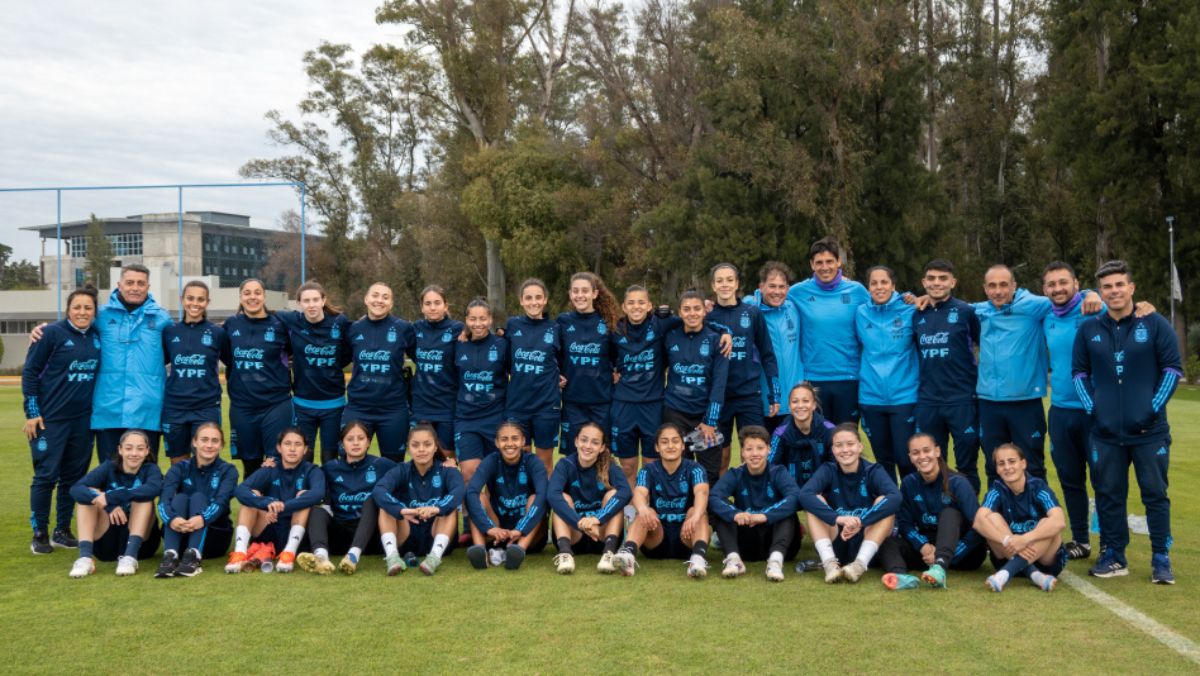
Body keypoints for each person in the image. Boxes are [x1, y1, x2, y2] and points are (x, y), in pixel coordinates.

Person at [1073, 260, 1182, 584]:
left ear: (1131, 288)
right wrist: (1095, 410)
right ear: (1101, 292)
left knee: (1155, 494)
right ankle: (1114, 555)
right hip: (1105, 433)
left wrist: (1150, 410)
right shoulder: (1089, 328)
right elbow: (1079, 374)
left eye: (1119, 284)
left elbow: (1173, 369)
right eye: (1107, 286)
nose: (1114, 291)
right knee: (1108, 494)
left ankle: (1161, 558)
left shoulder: (1155, 323)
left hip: (1149, 432)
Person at [974, 264, 1099, 487]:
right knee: (994, 467)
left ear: (1014, 286)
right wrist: (913, 298)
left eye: (1004, 285)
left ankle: (1038, 517)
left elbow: (1066, 297)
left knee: (1032, 466)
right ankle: (999, 517)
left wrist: (1091, 293)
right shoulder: (978, 311)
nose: (998, 291)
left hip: (1025, 402)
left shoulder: (1035, 305)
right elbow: (945, 307)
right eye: (992, 286)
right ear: (985, 289)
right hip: (988, 403)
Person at [24, 286, 100, 554]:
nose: (82, 312)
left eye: (88, 307)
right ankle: (40, 532)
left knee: (73, 477)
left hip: (83, 421)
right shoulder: (50, 333)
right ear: (68, 309)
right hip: (50, 421)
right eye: (77, 307)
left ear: (94, 311)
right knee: (46, 476)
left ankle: (62, 531)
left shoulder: (97, 335)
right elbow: (30, 372)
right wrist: (32, 413)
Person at [878, 433, 986, 590]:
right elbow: (905, 523)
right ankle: (900, 576)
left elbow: (978, 526)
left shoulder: (958, 483)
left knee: (949, 513)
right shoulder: (909, 483)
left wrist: (948, 555)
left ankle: (940, 568)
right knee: (886, 541)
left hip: (963, 553)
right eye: (915, 453)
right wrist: (923, 546)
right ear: (910, 457)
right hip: (929, 551)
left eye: (926, 450)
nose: (922, 456)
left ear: (937, 451)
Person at [912, 259, 982, 493]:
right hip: (928, 401)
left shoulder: (966, 312)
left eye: (943, 278)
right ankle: (938, 516)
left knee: (967, 465)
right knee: (930, 464)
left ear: (953, 282)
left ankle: (971, 519)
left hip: (961, 399)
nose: (936, 283)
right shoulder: (916, 314)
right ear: (923, 282)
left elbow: (983, 346)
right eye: (931, 278)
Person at [89, 264, 173, 461]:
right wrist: (41, 331)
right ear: (119, 284)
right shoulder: (100, 315)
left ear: (148, 286)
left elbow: (179, 347)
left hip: (147, 410)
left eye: (140, 283)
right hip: (109, 408)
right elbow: (75, 331)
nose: (135, 288)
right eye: (130, 283)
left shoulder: (162, 318)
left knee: (145, 476)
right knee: (110, 472)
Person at [1041, 262, 1096, 560]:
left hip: (1094, 411)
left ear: (1076, 282)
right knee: (1070, 478)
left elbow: (1124, 304)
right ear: (1044, 289)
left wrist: (1094, 293)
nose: (1058, 288)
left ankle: (1113, 544)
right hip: (1060, 410)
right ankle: (1082, 540)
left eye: (1064, 282)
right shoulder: (1045, 315)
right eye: (1051, 284)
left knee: (1104, 479)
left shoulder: (1094, 309)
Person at [799, 423, 900, 584]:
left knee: (884, 501)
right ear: (833, 450)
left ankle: (859, 565)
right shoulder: (828, 469)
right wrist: (838, 519)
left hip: (867, 539)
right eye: (839, 445)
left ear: (860, 447)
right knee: (814, 502)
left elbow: (895, 496)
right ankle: (830, 564)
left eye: (850, 444)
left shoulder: (873, 470)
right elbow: (804, 494)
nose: (845, 450)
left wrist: (861, 522)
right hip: (837, 540)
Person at [786, 238, 870, 424]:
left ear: (839, 262)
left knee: (845, 440)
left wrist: (906, 298)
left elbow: (882, 304)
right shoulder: (798, 291)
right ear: (811, 265)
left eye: (830, 261)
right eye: (819, 263)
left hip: (848, 378)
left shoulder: (856, 291)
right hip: (813, 379)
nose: (825, 267)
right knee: (818, 440)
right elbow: (770, 296)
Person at [708, 263, 780, 477]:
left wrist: (774, 392)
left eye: (729, 280)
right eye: (719, 280)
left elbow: (767, 353)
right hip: (719, 398)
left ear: (737, 284)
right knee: (720, 454)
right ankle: (719, 504)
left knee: (753, 451)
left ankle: (752, 501)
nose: (725, 284)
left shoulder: (753, 313)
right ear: (713, 286)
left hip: (749, 395)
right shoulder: (707, 317)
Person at [612, 423, 711, 578]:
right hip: (656, 538)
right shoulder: (649, 470)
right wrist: (643, 509)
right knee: (646, 510)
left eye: (675, 441)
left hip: (686, 536)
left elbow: (702, 492)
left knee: (696, 512)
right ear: (657, 447)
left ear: (682, 445)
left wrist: (697, 516)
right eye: (664, 442)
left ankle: (697, 559)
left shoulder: (695, 468)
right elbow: (638, 493)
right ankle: (628, 555)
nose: (670, 446)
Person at [298, 421, 395, 575]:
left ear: (368, 442)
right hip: (340, 534)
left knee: (372, 500)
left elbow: (409, 471)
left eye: (360, 438)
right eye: (350, 439)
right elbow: (302, 474)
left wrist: (446, 465)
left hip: (370, 537)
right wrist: (273, 466)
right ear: (342, 443)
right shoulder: (331, 467)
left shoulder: (381, 464)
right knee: (317, 510)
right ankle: (321, 557)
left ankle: (353, 556)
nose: (355, 443)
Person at [225, 427, 325, 574]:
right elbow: (240, 490)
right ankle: (239, 554)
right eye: (287, 444)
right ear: (279, 448)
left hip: (294, 527)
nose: (292, 449)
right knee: (252, 495)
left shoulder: (312, 470)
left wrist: (284, 506)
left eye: (297, 444)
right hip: (268, 525)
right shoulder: (270, 469)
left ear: (305, 449)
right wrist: (267, 503)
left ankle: (288, 554)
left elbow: (318, 493)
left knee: (305, 496)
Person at [708, 425, 802, 582]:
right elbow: (714, 497)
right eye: (749, 449)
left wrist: (765, 516)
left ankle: (775, 562)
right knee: (721, 513)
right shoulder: (735, 474)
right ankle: (734, 560)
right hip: (747, 542)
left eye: (760, 448)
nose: (755, 454)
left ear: (768, 450)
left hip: (778, 540)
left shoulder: (778, 472)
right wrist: (735, 514)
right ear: (743, 453)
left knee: (787, 513)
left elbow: (795, 496)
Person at [222, 278, 295, 478]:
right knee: (251, 465)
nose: (252, 297)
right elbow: (225, 356)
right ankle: (254, 506)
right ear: (240, 297)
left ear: (264, 296)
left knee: (277, 462)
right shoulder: (231, 324)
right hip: (242, 406)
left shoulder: (280, 324)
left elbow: (294, 352)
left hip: (276, 404)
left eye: (257, 293)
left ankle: (278, 508)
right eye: (247, 293)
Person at [67, 430, 163, 578]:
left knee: (144, 498)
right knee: (88, 497)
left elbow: (154, 488)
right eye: (129, 448)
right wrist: (107, 504)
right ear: (120, 449)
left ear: (147, 451)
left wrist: (113, 496)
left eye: (140, 448)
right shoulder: (108, 467)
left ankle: (130, 557)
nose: (134, 453)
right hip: (107, 542)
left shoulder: (151, 469)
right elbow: (76, 489)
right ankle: (85, 557)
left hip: (142, 545)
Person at [973, 444, 1066, 592]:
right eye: (1001, 463)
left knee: (1048, 523)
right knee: (992, 518)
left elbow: (1059, 521)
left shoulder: (1038, 486)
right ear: (997, 469)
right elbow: (978, 521)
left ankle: (1005, 574)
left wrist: (1024, 539)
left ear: (1023, 464)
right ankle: (1034, 574)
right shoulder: (997, 489)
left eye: (1012, 461)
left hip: (1044, 561)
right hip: (1007, 554)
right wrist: (1007, 540)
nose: (1007, 467)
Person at [373, 424, 465, 576]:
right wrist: (401, 510)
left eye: (427, 444)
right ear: (408, 448)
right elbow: (379, 490)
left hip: (438, 533)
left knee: (449, 509)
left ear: (435, 447)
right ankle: (392, 557)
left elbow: (459, 491)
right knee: (387, 507)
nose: (421, 449)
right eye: (415, 445)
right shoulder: (401, 470)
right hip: (407, 534)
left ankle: (434, 557)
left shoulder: (447, 471)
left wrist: (437, 508)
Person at [855, 266, 919, 484]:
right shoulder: (861, 312)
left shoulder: (910, 309)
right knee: (883, 461)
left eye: (884, 282)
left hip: (904, 397)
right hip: (871, 397)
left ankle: (912, 510)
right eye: (874, 283)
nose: (879, 287)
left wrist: (921, 297)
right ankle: (890, 512)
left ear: (893, 285)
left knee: (906, 458)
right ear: (868, 287)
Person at [277, 281, 351, 464]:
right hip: (303, 405)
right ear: (299, 303)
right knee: (304, 458)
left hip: (334, 404)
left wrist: (333, 367)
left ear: (323, 300)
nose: (311, 304)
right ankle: (308, 493)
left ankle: (328, 494)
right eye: (306, 300)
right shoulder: (293, 320)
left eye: (316, 299)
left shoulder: (339, 322)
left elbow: (349, 352)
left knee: (331, 459)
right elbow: (268, 315)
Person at [154, 422, 239, 578]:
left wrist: (202, 518)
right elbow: (163, 501)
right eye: (204, 439)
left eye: (215, 441)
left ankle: (193, 557)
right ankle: (170, 556)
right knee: (180, 498)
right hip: (180, 533)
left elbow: (221, 502)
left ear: (221, 445)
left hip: (213, 538)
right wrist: (172, 519)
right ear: (195, 442)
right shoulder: (179, 468)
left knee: (198, 497)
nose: (209, 445)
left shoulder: (228, 470)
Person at [662, 290, 730, 484]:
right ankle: (681, 511)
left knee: (709, 472)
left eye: (697, 309)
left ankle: (708, 513)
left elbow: (719, 384)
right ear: (680, 312)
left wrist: (710, 420)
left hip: (704, 417)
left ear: (704, 311)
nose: (692, 313)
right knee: (677, 468)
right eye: (687, 309)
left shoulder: (717, 339)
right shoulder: (670, 336)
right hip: (675, 412)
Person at [343, 282, 416, 461]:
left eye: (385, 297)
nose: (379, 300)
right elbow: (339, 360)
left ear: (391, 303)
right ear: (366, 299)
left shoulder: (403, 328)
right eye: (375, 295)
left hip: (393, 409)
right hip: (358, 407)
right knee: (349, 460)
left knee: (393, 465)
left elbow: (423, 357)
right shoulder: (353, 329)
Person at [547, 422, 631, 574]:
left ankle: (609, 554)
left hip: (601, 534)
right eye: (584, 440)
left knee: (614, 495)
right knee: (562, 498)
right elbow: (552, 494)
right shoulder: (565, 464)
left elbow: (626, 492)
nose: (588, 446)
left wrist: (597, 519)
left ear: (602, 447)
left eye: (595, 442)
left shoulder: (610, 465)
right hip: (575, 534)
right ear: (576, 441)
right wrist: (579, 522)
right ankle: (565, 553)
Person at [464, 422, 548, 570]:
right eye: (504, 439)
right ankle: (480, 551)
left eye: (514, 438)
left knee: (536, 499)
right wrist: (489, 528)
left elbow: (542, 496)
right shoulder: (491, 460)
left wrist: (521, 529)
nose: (509, 444)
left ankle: (518, 551)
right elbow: (471, 492)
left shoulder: (533, 462)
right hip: (497, 533)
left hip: (528, 533)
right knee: (477, 497)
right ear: (497, 443)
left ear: (523, 441)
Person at [161, 280, 226, 464]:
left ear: (207, 302)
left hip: (206, 406)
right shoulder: (169, 331)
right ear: (182, 300)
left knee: (206, 460)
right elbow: (162, 361)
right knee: (179, 463)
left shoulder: (217, 333)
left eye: (200, 299)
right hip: (175, 407)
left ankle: (204, 494)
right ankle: (182, 494)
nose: (195, 303)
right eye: (190, 298)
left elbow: (231, 361)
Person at [503, 279, 563, 474]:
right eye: (528, 298)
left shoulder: (555, 328)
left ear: (545, 300)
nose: (533, 302)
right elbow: (503, 357)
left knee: (544, 462)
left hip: (546, 405)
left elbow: (564, 361)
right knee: (520, 461)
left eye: (538, 297)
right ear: (521, 301)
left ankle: (544, 505)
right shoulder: (512, 325)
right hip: (518, 405)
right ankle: (525, 504)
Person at [557, 272, 619, 455]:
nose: (580, 295)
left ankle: (604, 485)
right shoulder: (562, 322)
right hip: (572, 402)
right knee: (573, 457)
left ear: (595, 293)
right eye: (575, 291)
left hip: (602, 402)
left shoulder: (608, 322)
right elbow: (550, 353)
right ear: (570, 294)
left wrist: (618, 371)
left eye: (585, 290)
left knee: (602, 455)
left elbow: (620, 355)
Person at [454, 299, 509, 485]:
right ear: (466, 321)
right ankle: (471, 515)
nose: (478, 324)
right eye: (473, 319)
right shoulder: (458, 345)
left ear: (490, 320)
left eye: (483, 318)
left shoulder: (502, 344)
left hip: (495, 417)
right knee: (469, 473)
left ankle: (492, 514)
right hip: (466, 418)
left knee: (495, 476)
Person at [744, 261, 804, 432]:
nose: (777, 292)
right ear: (761, 286)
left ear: (788, 288)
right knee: (763, 454)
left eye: (782, 287)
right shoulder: (750, 310)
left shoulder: (793, 307)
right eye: (772, 286)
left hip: (794, 401)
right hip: (765, 400)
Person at [409, 285, 464, 453]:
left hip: (447, 405)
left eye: (437, 303)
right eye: (428, 303)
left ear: (446, 305)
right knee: (421, 456)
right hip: (421, 405)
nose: (432, 307)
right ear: (422, 307)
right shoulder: (415, 329)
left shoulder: (458, 329)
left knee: (446, 458)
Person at [769, 382, 835, 488]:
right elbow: (770, 465)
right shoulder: (780, 433)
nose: (800, 406)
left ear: (813, 405)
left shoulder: (829, 430)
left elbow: (839, 465)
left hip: (823, 491)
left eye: (805, 401)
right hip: (791, 491)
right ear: (789, 407)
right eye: (795, 402)